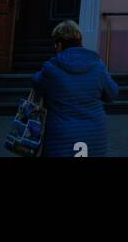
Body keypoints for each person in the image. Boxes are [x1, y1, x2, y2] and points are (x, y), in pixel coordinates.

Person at [32, 20, 119, 157]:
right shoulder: (97, 65)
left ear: (59, 45)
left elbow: (36, 83)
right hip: (94, 135)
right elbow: (113, 94)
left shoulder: (51, 68)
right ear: (80, 41)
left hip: (62, 136)